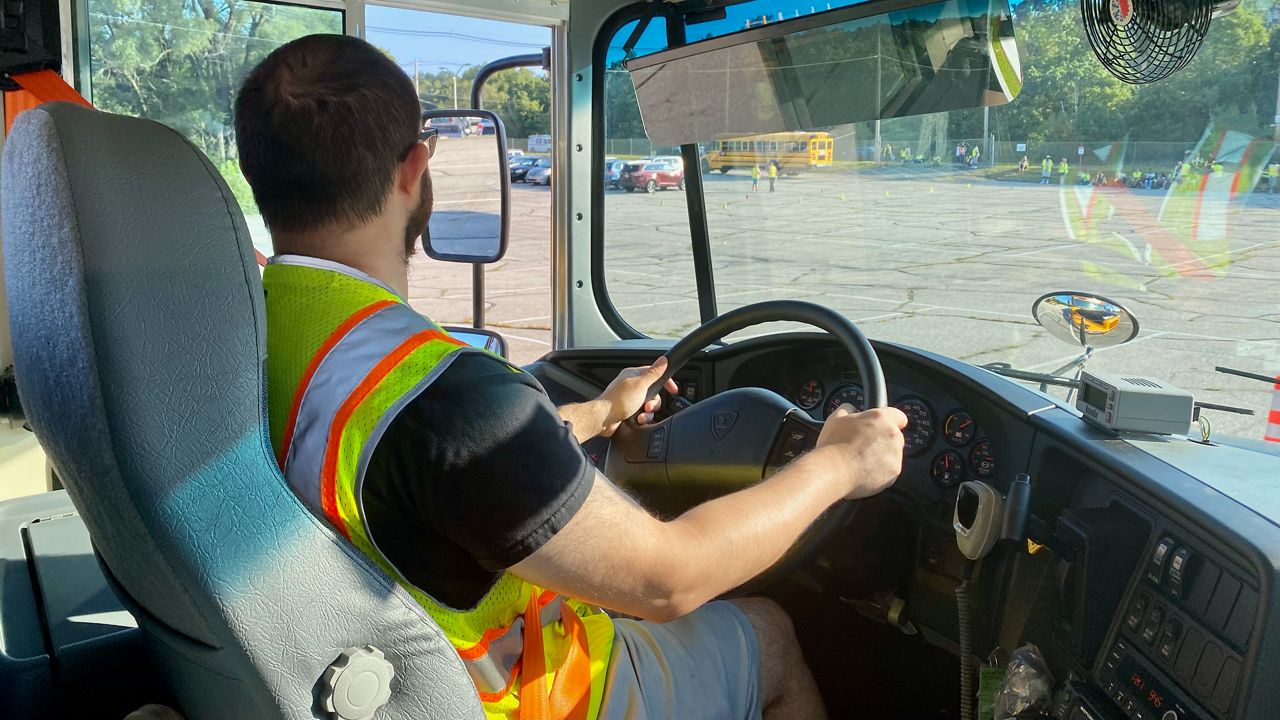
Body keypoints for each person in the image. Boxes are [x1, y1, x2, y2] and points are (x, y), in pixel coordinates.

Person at [234, 35, 908, 720]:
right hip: (532, 698)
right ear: (415, 168)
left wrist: (597, 415)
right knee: (771, 633)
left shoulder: (251, 330)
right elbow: (666, 579)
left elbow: (427, 474)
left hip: (365, 677)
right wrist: (841, 463)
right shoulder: (448, 394)